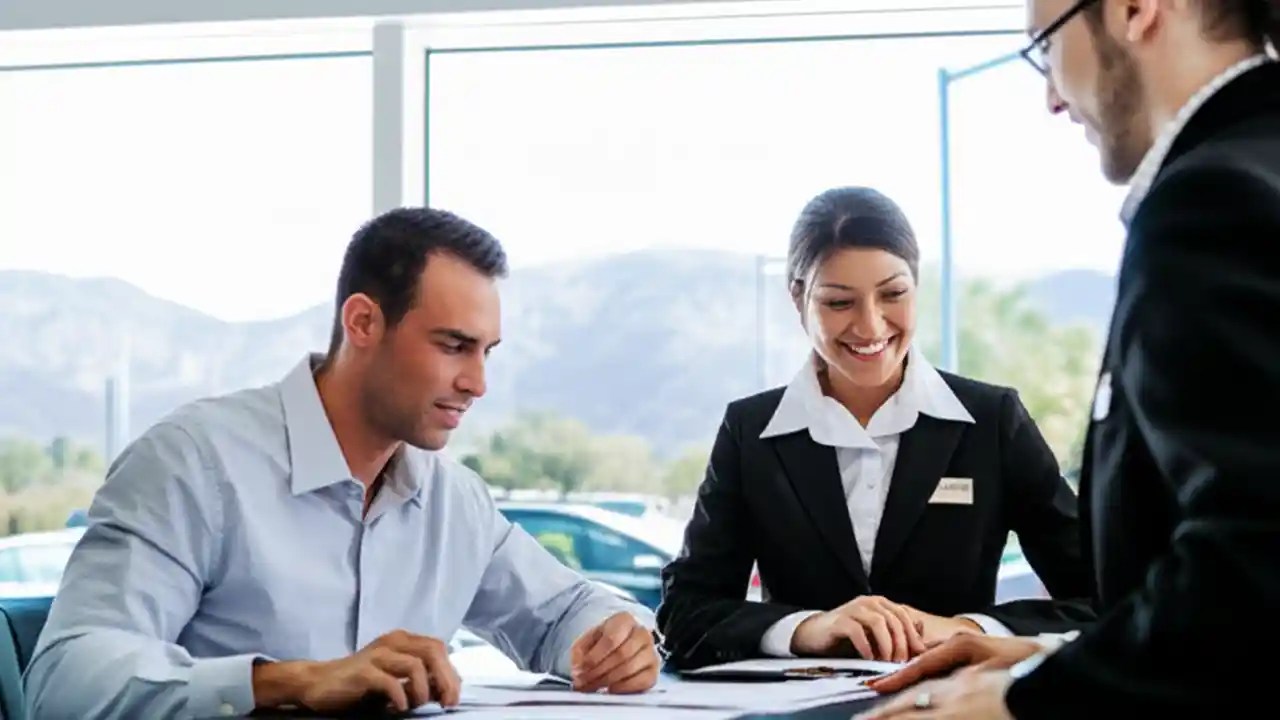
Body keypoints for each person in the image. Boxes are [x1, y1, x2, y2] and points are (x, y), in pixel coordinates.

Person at [24, 208, 660, 720]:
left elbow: (569, 608)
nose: (477, 383)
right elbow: (64, 679)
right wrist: (290, 681)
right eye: (453, 346)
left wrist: (614, 639)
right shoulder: (194, 463)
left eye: (487, 351)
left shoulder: (453, 500)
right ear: (362, 322)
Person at [861, 1, 1280, 717]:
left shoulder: (1212, 203)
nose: (1053, 98)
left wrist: (1025, 703)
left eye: (1047, 48)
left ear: (1134, 9)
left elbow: (1257, 561)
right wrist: (1058, 653)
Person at [656, 187, 1094, 669]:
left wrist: (966, 629)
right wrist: (807, 629)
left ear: (917, 286)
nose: (870, 326)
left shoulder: (991, 422)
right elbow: (684, 613)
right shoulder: (750, 431)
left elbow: (1104, 596)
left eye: (893, 294)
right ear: (798, 297)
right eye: (839, 303)